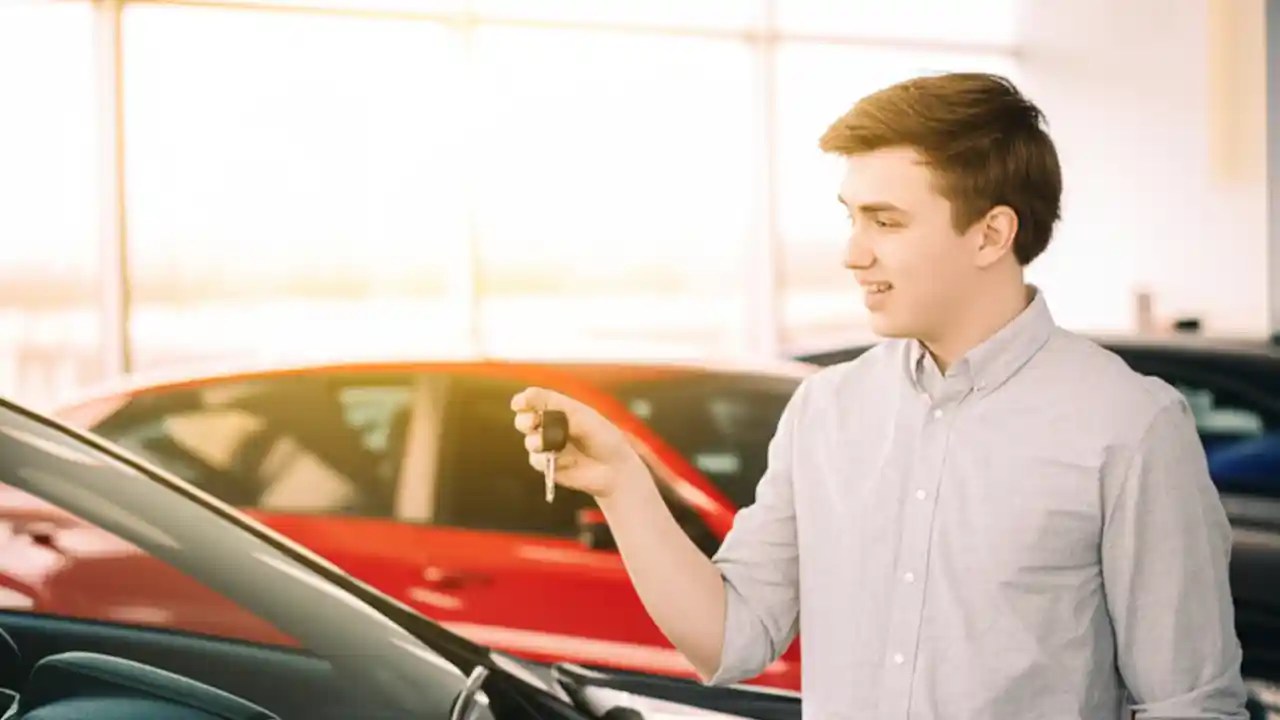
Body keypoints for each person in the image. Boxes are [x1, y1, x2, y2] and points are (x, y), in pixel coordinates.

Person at [510, 72, 1249, 719]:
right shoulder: (826, 411)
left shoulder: (1129, 425)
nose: (852, 252)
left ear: (991, 234)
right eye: (851, 216)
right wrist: (621, 484)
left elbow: (1188, 705)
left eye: (886, 221)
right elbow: (729, 641)